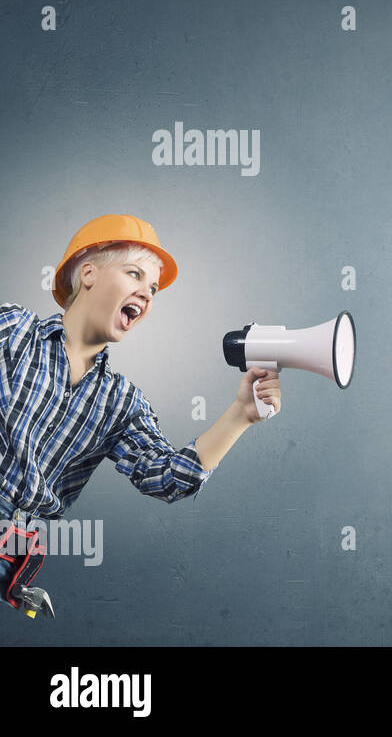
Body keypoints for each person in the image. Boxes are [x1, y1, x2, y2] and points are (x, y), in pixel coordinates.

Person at [0, 214, 282, 616]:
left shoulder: (122, 403)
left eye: (153, 289)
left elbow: (167, 479)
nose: (147, 294)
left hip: (10, 554)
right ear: (89, 273)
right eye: (134, 274)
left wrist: (240, 414)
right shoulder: (13, 329)